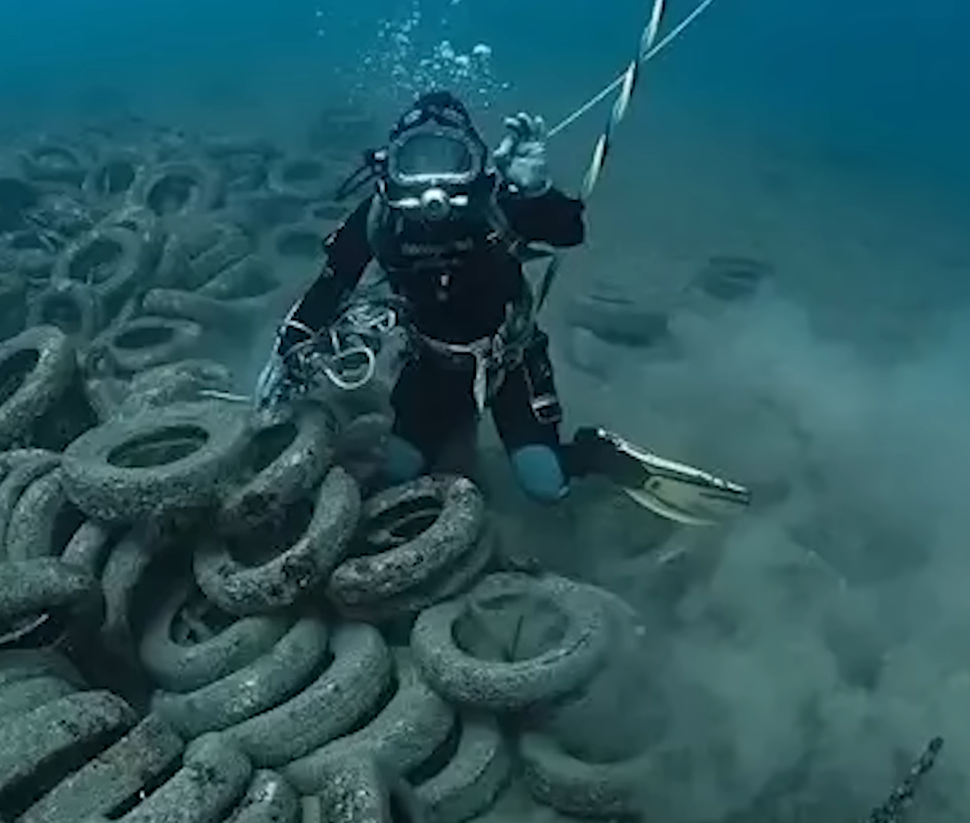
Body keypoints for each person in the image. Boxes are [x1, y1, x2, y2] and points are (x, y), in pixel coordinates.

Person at [260, 90, 749, 522]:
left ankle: (595, 454)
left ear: (476, 162)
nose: (435, 186)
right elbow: (331, 287)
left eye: (451, 160)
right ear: (390, 165)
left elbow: (568, 232)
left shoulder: (494, 200)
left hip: (511, 362)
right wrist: (286, 350)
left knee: (546, 487)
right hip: (428, 364)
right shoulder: (378, 219)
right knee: (398, 476)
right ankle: (454, 438)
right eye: (417, 161)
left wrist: (534, 191)